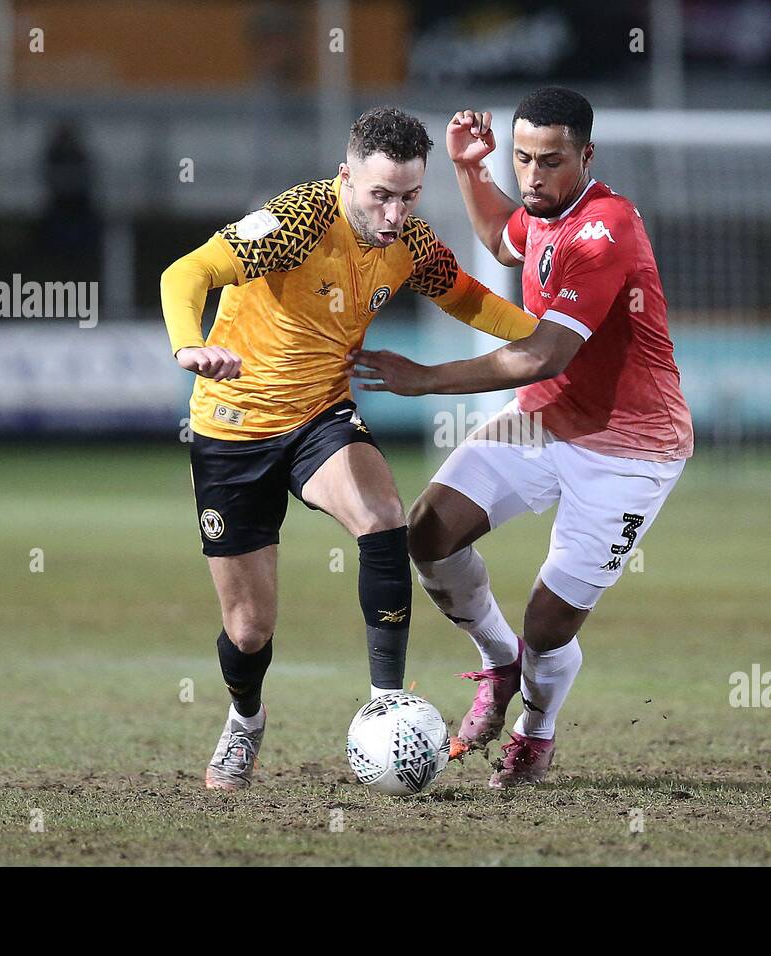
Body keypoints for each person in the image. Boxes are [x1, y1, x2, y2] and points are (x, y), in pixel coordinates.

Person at [159, 107, 538, 791]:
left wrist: (550, 338)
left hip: (320, 417)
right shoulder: (297, 222)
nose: (394, 213)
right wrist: (190, 343)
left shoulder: (411, 244)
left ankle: (385, 701)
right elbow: (185, 273)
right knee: (248, 630)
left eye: (409, 196)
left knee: (383, 514)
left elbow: (474, 302)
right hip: (232, 429)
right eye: (380, 195)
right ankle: (245, 718)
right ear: (346, 178)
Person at [348, 88, 694, 788]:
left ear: (586, 157)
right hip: (544, 418)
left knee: (549, 627)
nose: (533, 176)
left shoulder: (605, 231)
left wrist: (424, 379)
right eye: (523, 158)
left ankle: (534, 733)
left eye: (551, 161)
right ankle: (499, 662)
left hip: (631, 449)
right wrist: (471, 172)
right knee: (428, 532)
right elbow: (503, 231)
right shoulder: (541, 209)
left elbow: (542, 355)